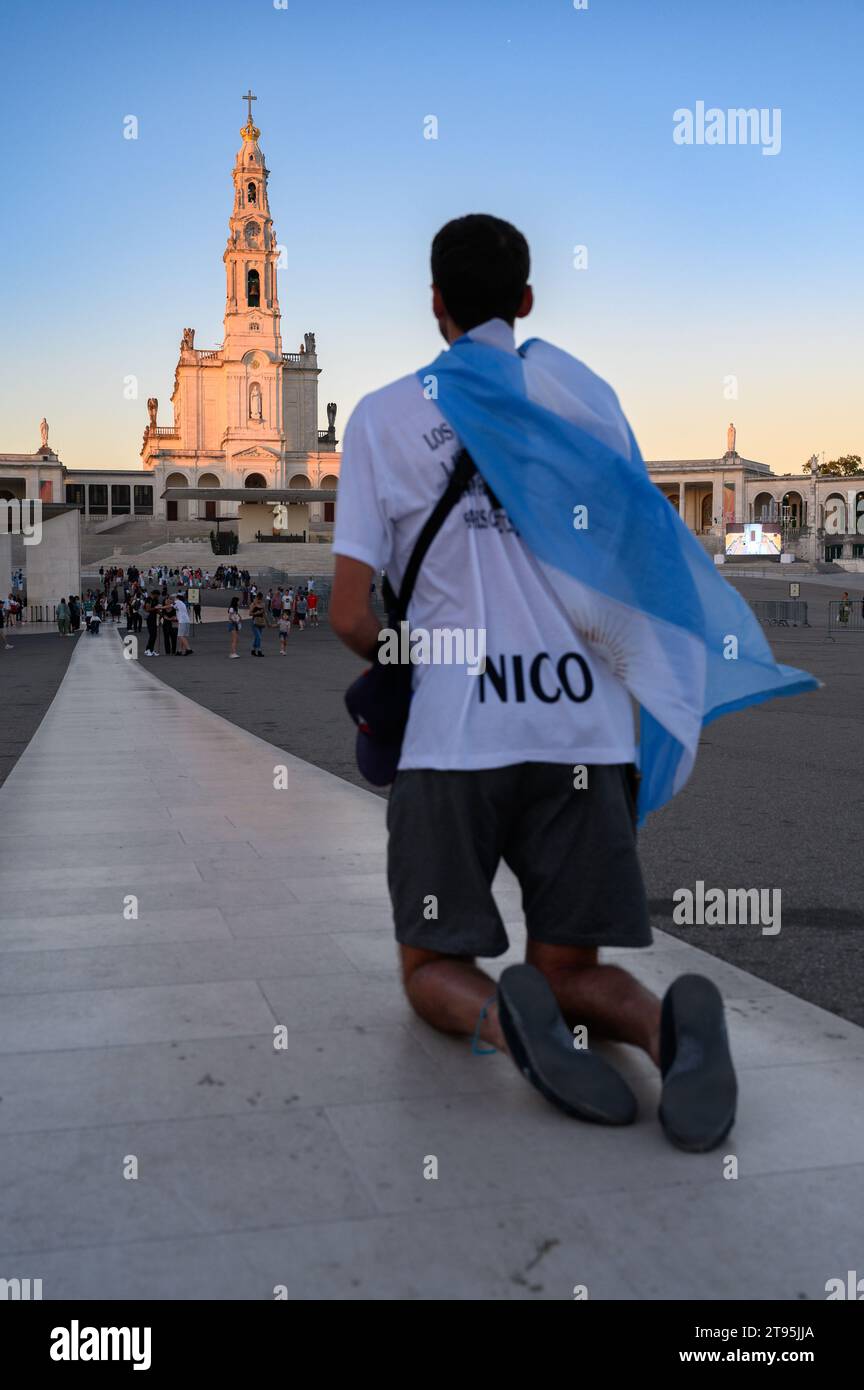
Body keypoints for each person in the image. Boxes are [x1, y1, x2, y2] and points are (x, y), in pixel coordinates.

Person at [329, 213, 740, 1153]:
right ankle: (660, 1027)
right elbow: (644, 568)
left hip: (456, 737)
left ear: (434, 304)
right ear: (525, 303)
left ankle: (504, 1026)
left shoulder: (384, 416)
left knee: (432, 960)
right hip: (583, 739)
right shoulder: (585, 410)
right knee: (567, 966)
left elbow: (352, 615)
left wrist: (418, 663)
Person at [144, 591, 161, 656]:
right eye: (157, 595)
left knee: (154, 634)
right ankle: (147, 650)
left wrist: (161, 614)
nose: (158, 597)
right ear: (154, 594)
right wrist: (156, 608)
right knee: (152, 634)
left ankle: (151, 649)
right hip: (149, 618)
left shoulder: (155, 600)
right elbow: (147, 609)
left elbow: (156, 610)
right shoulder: (148, 599)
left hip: (154, 618)